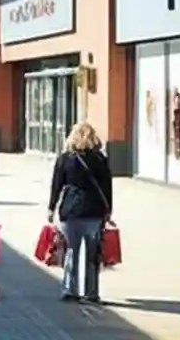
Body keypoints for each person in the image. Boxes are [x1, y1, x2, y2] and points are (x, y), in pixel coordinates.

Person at [46, 122, 113, 304]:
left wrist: (51, 208)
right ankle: (92, 292)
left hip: (71, 210)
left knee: (70, 251)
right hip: (94, 211)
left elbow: (56, 185)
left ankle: (70, 289)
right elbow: (107, 187)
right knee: (93, 254)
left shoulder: (65, 159)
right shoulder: (100, 159)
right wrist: (108, 211)